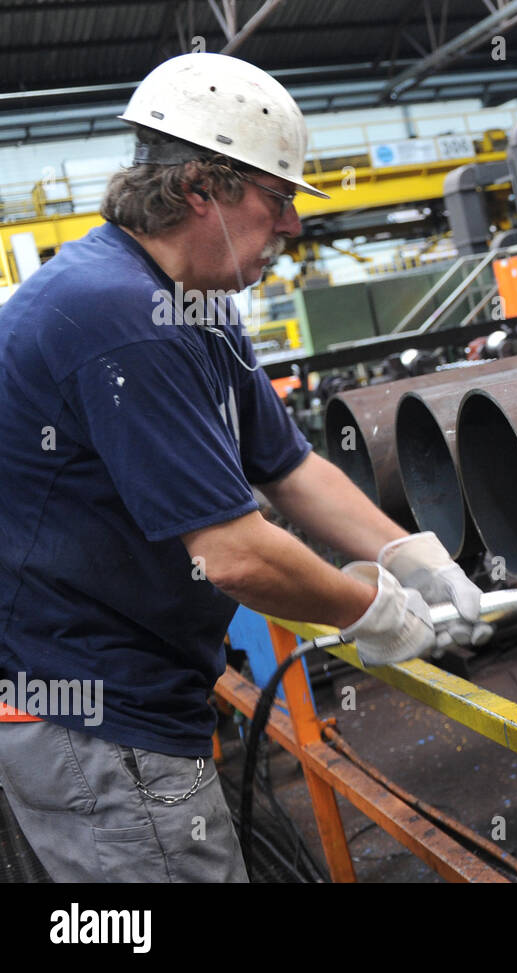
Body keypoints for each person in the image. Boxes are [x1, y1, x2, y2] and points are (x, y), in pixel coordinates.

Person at [0, 52, 488, 882]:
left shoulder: (194, 304)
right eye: (278, 197)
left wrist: (413, 553)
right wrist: (366, 608)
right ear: (202, 189)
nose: (294, 224)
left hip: (132, 695)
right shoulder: (117, 317)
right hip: (95, 714)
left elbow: (289, 465)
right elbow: (233, 553)